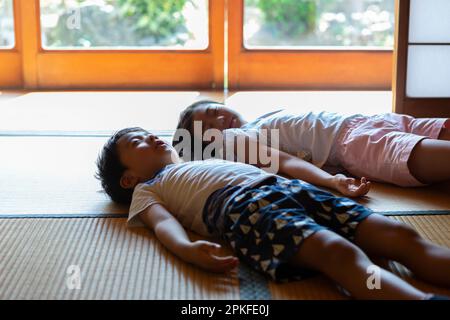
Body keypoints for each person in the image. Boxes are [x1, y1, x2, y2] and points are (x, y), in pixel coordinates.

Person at [95, 127, 450, 300]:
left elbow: (284, 163)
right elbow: (163, 224)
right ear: (128, 178)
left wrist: (333, 182)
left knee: (398, 236)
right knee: (337, 254)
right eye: (136, 142)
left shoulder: (201, 160)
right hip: (245, 208)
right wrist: (187, 249)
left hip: (290, 190)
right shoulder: (147, 189)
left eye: (145, 133)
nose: (150, 137)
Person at [173, 100, 450, 187]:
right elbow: (286, 162)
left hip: (370, 120)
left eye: (215, 111)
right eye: (209, 128)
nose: (220, 120)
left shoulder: (257, 121)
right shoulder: (236, 142)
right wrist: (332, 182)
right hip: (357, 143)